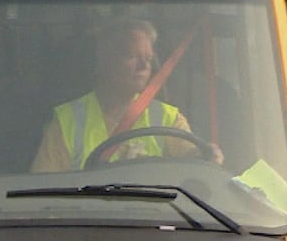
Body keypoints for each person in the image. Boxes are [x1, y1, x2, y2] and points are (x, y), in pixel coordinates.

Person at [30, 18, 219, 172]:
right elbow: (43, 187)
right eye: (132, 56)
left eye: (148, 59)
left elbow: (195, 167)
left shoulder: (168, 118)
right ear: (103, 60)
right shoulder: (67, 120)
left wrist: (207, 157)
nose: (144, 67)